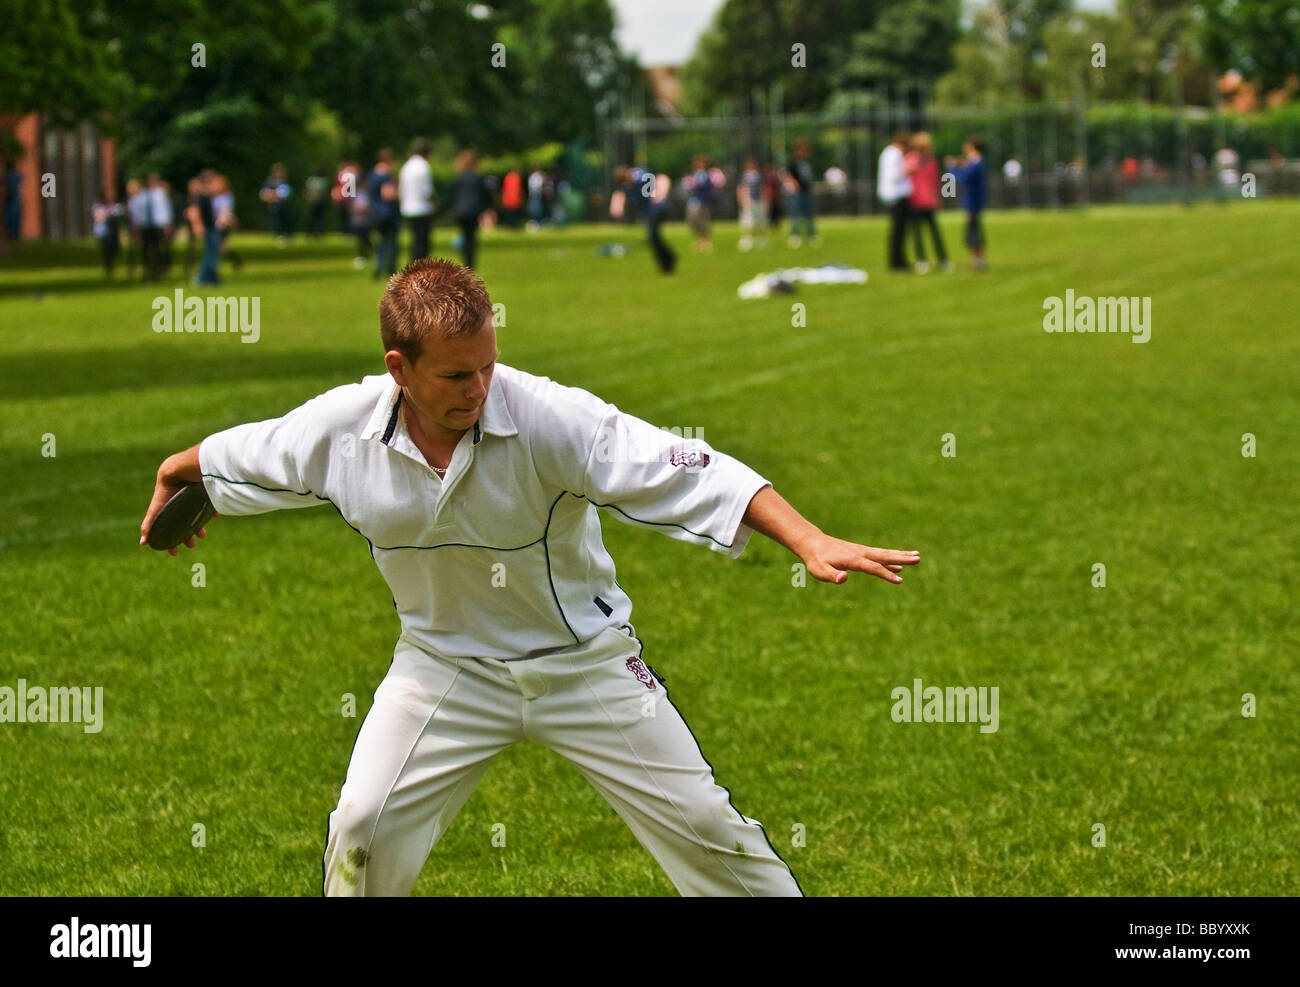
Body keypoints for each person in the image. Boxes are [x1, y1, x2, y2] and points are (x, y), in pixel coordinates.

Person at [138, 257, 920, 897]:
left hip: (584, 664)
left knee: (710, 832)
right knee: (363, 830)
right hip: (443, 668)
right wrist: (175, 480)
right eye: (454, 377)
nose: (477, 390)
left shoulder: (548, 415)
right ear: (398, 368)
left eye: (486, 366)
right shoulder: (339, 429)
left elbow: (686, 467)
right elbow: (233, 454)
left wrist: (808, 537)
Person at [903, 133, 948, 274]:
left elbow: (935, 181)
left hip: (928, 201)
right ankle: (921, 259)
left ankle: (943, 260)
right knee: (917, 234)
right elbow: (904, 174)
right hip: (914, 201)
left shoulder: (931, 162)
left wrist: (937, 199)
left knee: (935, 232)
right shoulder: (910, 159)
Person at [945, 136, 988, 272]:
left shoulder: (975, 162)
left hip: (973, 201)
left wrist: (952, 168)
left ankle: (978, 260)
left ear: (972, 146)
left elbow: (963, 178)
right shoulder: (975, 162)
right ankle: (978, 259)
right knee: (974, 229)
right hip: (974, 200)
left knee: (972, 231)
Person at [449, 149, 493, 270]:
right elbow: (485, 195)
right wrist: (488, 209)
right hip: (473, 210)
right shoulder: (478, 177)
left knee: (464, 235)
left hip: (460, 211)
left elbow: (452, 195)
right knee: (471, 238)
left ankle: (465, 258)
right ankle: (470, 263)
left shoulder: (458, 178)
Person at [877, 132, 912, 272]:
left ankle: (898, 260)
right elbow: (895, 175)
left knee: (898, 231)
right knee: (898, 231)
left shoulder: (888, 153)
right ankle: (897, 261)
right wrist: (908, 170)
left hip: (894, 195)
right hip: (897, 195)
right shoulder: (895, 154)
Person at [131, 173, 173, 281]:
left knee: (158, 248)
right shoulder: (141, 196)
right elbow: (138, 212)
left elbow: (166, 210)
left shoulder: (161, 194)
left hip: (158, 225)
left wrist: (167, 224)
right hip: (146, 226)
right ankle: (147, 270)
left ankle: (158, 270)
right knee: (146, 249)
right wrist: (136, 225)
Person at [399, 139, 435, 263]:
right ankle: (420, 265)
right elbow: (427, 191)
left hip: (408, 207)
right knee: (422, 242)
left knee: (414, 239)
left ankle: (414, 264)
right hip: (422, 208)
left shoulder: (406, 166)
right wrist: (434, 203)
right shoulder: (424, 166)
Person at [368, 149, 400, 279]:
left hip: (376, 212)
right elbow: (387, 194)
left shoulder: (372, 174)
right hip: (388, 213)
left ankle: (379, 266)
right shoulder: (385, 175)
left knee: (380, 241)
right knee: (391, 242)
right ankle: (390, 268)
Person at [786, 140, 818, 247]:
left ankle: (812, 235)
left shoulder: (807, 163)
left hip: (806, 191)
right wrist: (795, 184)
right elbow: (788, 175)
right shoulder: (793, 163)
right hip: (796, 193)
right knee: (796, 214)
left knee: (809, 214)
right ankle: (795, 235)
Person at [644, 171, 675, 274]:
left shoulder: (654, 177)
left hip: (657, 210)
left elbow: (663, 186)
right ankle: (665, 261)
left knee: (653, 237)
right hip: (652, 210)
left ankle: (668, 259)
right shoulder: (645, 178)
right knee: (653, 238)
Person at [212, 173, 242, 271]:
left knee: (220, 245)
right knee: (221, 245)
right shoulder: (215, 197)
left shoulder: (226, 197)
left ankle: (234, 260)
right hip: (217, 222)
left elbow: (226, 211)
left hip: (222, 223)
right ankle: (235, 260)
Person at [92, 185, 124, 278]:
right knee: (106, 251)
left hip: (114, 231)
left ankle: (112, 267)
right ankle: (108, 268)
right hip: (104, 232)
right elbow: (98, 217)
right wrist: (108, 213)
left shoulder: (116, 205)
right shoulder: (98, 205)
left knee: (114, 250)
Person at [685, 155, 715, 254]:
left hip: (703, 203)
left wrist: (705, 202)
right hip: (694, 202)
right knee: (693, 222)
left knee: (703, 222)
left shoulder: (706, 176)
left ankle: (705, 242)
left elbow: (707, 190)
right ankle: (699, 240)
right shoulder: (694, 175)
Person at [737, 156, 767, 251]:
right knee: (747, 221)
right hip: (748, 201)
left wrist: (765, 200)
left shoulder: (758, 176)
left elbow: (763, 189)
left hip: (758, 200)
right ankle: (746, 239)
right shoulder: (744, 176)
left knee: (759, 221)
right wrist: (741, 200)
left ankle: (760, 239)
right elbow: (741, 189)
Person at [260, 164, 293, 244]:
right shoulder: (269, 181)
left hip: (284, 205)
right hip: (275, 205)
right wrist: (274, 195)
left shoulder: (284, 180)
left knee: (286, 220)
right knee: (277, 221)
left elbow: (287, 193)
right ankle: (278, 235)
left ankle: (287, 235)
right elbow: (263, 194)